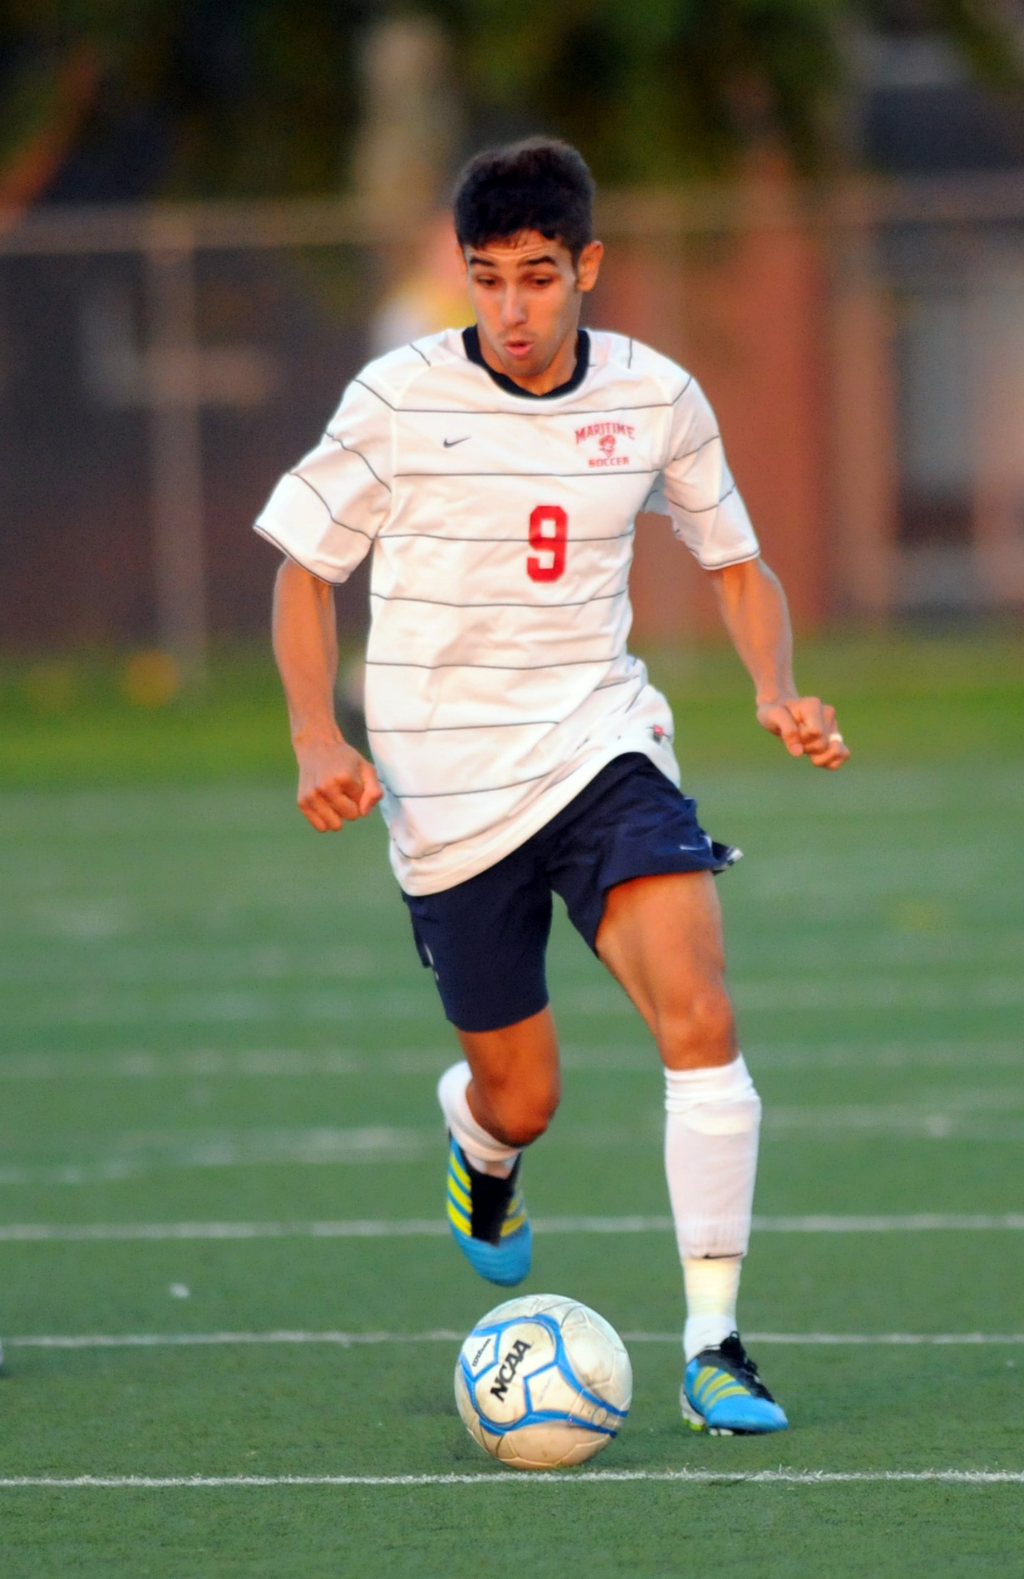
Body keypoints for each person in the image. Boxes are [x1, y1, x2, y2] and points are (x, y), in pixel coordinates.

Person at [256, 137, 849, 1437]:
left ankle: (717, 1345)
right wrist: (316, 735)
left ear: (588, 267)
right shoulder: (397, 398)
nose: (512, 311)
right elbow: (304, 568)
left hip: (603, 750)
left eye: (537, 278)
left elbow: (736, 561)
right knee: (525, 1094)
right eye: (487, 281)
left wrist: (775, 688)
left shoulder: (657, 396)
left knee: (699, 1015)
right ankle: (480, 1147)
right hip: (444, 786)